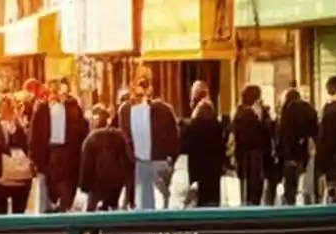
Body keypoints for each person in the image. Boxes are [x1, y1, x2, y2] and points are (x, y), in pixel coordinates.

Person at [117, 77, 180, 210]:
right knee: (158, 198)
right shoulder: (165, 109)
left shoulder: (126, 110)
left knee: (144, 199)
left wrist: (130, 157)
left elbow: (125, 137)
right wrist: (172, 158)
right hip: (158, 159)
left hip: (142, 160)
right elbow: (174, 135)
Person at [30, 77, 89, 213]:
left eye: (59, 89)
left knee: (66, 191)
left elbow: (82, 132)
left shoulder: (73, 109)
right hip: (49, 154)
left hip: (68, 154)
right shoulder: (42, 110)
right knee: (49, 191)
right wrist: (36, 160)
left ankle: (64, 213)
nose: (56, 93)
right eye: (53, 89)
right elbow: (34, 136)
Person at [0, 94, 34, 215]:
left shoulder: (19, 127)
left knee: (15, 211)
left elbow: (26, 146)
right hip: (2, 177)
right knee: (0, 210)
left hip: (16, 176)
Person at [79, 104, 133, 215]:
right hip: (116, 183)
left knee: (91, 213)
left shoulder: (91, 139)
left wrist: (84, 185)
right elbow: (127, 160)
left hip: (96, 184)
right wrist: (126, 181)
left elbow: (86, 164)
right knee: (113, 210)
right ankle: (111, 231)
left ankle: (93, 231)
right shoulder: (119, 136)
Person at [232, 85, 273, 206]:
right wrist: (259, 117)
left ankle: (246, 203)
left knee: (246, 183)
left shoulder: (238, 114)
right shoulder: (254, 115)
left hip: (243, 155)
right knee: (255, 184)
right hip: (255, 154)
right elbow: (266, 131)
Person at [277, 87, 317, 205]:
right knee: (307, 183)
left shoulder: (286, 111)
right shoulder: (308, 109)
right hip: (305, 154)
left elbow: (282, 136)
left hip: (290, 156)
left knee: (290, 187)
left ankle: (290, 207)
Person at [182, 100, 226, 207]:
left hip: (198, 163)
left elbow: (186, 146)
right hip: (213, 165)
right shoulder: (217, 126)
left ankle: (201, 207)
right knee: (213, 191)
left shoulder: (193, 126)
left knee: (201, 190)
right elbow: (221, 146)